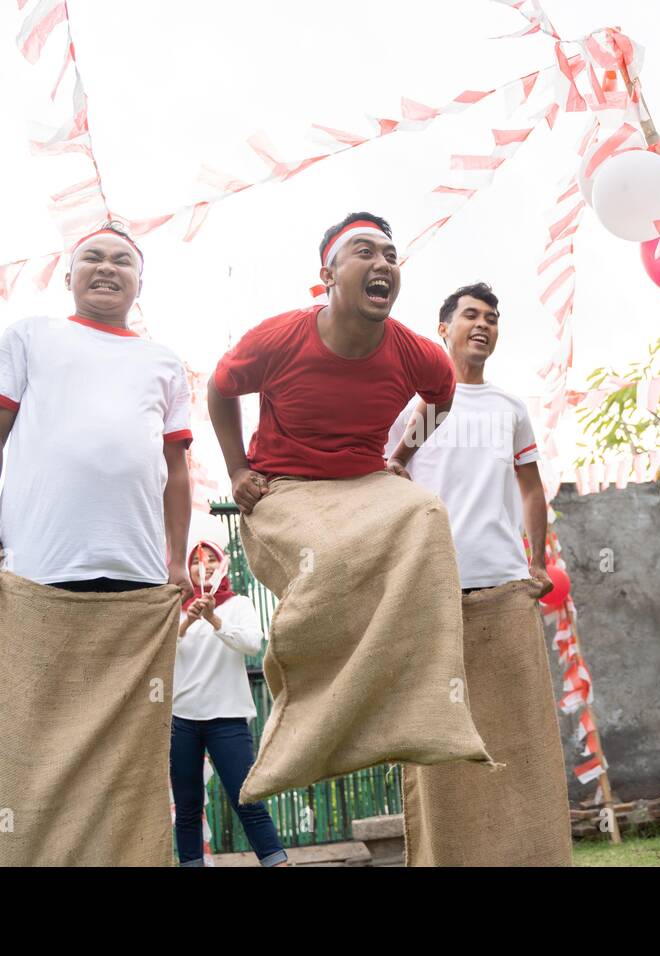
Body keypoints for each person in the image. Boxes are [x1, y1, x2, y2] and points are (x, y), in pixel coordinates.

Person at [206, 211, 491, 805]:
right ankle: (309, 722)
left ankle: (416, 705)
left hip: (365, 479)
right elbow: (220, 388)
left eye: (391, 256)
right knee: (328, 559)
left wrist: (403, 457)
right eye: (365, 252)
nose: (383, 264)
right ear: (328, 274)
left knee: (426, 516)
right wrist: (237, 470)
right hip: (283, 485)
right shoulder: (279, 337)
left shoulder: (419, 355)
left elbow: (441, 399)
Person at [0, 222, 193, 866]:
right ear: (69, 275)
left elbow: (177, 470)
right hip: (40, 570)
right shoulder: (31, 337)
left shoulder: (164, 362)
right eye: (91, 256)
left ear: (139, 282)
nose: (107, 267)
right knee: (33, 744)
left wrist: (176, 562)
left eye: (123, 260)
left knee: (130, 757)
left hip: (139, 582)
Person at [387, 282, 573, 866]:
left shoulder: (509, 407)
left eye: (492, 317)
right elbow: (389, 475)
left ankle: (527, 851)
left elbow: (531, 488)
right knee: (438, 731)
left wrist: (537, 562)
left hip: (502, 587)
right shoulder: (421, 407)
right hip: (432, 589)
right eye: (470, 315)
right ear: (443, 328)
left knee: (518, 730)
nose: (483, 325)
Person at [170, 540, 287, 867]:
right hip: (182, 719)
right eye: (195, 561)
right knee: (188, 805)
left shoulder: (239, 604)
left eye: (210, 560)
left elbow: (252, 644)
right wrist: (189, 620)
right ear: (185, 569)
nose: (203, 566)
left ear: (223, 566)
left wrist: (214, 620)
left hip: (228, 718)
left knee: (247, 799)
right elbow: (161, 657)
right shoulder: (174, 608)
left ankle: (277, 862)